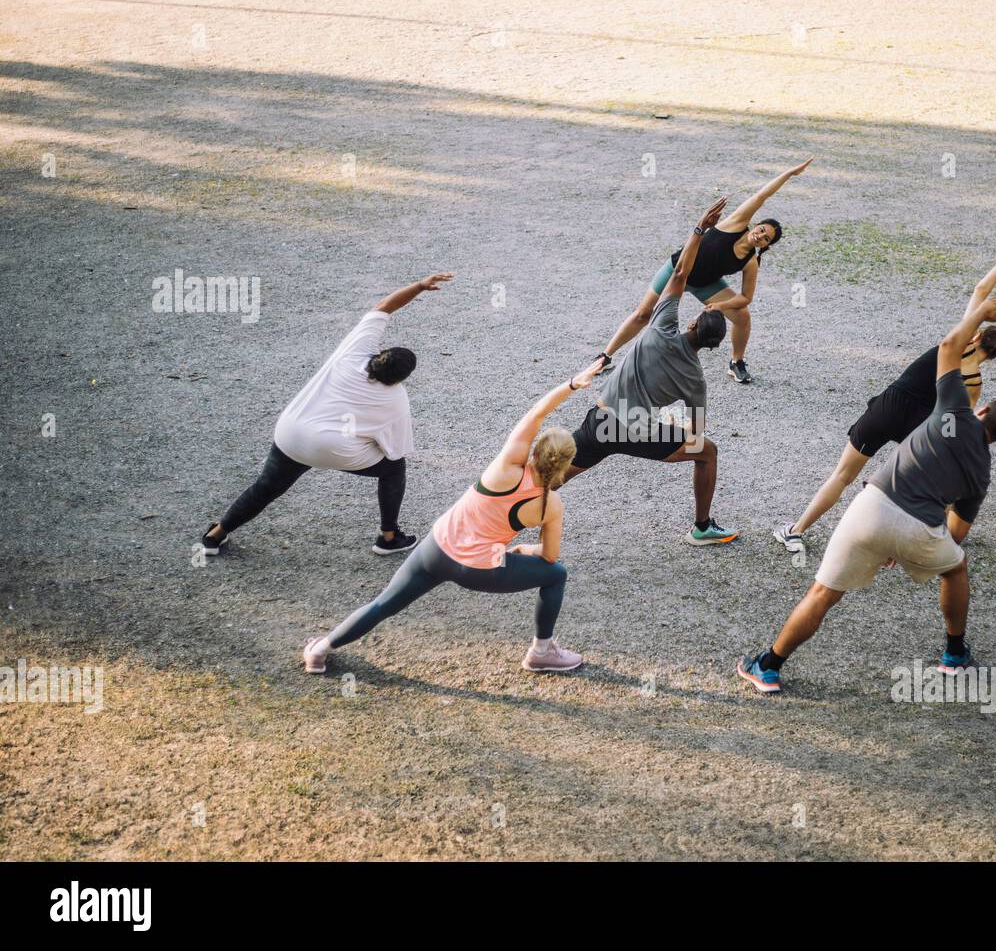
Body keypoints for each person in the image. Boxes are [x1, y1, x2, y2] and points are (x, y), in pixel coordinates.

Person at [739, 293, 996, 693]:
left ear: (981, 411)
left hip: (872, 508)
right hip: (922, 529)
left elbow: (948, 345)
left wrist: (979, 313)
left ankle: (768, 666)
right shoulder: (982, 474)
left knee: (823, 594)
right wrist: (908, 549)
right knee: (956, 568)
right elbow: (956, 536)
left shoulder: (954, 408)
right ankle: (954, 653)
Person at [302, 358, 607, 675]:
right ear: (565, 464)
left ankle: (320, 649)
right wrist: (523, 549)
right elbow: (550, 556)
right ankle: (541, 652)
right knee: (556, 574)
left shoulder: (505, 468)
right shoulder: (550, 504)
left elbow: (536, 413)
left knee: (384, 604)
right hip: (482, 569)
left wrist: (572, 384)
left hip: (435, 550)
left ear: (536, 450)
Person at [773, 247, 996, 554]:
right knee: (917, 484)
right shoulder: (974, 383)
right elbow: (954, 422)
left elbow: (980, 290)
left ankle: (796, 531)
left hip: (889, 407)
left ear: (977, 335)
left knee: (842, 476)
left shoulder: (957, 343)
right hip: (918, 426)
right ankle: (928, 534)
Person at [201, 273, 454, 557]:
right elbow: (394, 450)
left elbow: (384, 306)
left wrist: (419, 286)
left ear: (381, 352)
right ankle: (389, 537)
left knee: (266, 487)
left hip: (292, 433)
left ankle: (215, 536)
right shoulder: (396, 400)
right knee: (394, 468)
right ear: (402, 379)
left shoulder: (353, 352)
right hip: (334, 450)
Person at [562, 198, 738, 546]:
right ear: (713, 346)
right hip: (635, 431)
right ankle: (701, 528)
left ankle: (494, 517)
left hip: (601, 421)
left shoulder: (662, 325)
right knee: (708, 452)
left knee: (549, 480)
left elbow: (680, 273)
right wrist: (674, 426)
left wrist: (700, 228)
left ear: (692, 323)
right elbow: (696, 433)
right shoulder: (696, 381)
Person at [596, 158, 813, 385]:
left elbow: (746, 297)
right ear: (756, 225)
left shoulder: (750, 262)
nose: (759, 236)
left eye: (766, 238)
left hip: (705, 284)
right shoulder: (736, 223)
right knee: (643, 314)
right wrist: (789, 173)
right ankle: (605, 356)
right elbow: (761, 196)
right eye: (761, 229)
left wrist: (720, 306)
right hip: (677, 271)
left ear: (766, 245)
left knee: (743, 316)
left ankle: (736, 362)